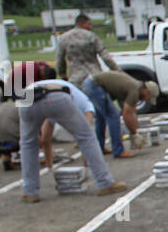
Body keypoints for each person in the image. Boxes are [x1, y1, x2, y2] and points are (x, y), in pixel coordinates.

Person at [12, 64, 126, 203]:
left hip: (27, 98)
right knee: (87, 137)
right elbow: (88, 122)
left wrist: (50, 166)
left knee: (28, 143)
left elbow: (45, 138)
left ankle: (30, 192)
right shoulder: (74, 92)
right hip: (57, 96)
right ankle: (105, 183)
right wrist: (86, 155)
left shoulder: (38, 84)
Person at [55, 13, 129, 157]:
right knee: (106, 113)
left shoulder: (64, 38)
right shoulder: (91, 36)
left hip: (76, 79)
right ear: (84, 23)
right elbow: (106, 57)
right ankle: (114, 148)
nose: (91, 27)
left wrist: (63, 75)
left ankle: (95, 145)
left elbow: (59, 60)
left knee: (85, 113)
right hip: (95, 77)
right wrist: (118, 72)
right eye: (90, 24)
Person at [88, 69, 159, 150]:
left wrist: (138, 132)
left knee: (101, 118)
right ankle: (118, 150)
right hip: (94, 85)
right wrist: (134, 134)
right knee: (114, 116)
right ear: (146, 91)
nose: (147, 100)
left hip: (92, 83)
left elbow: (132, 113)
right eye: (149, 97)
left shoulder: (137, 87)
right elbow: (126, 114)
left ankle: (100, 148)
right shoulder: (135, 90)